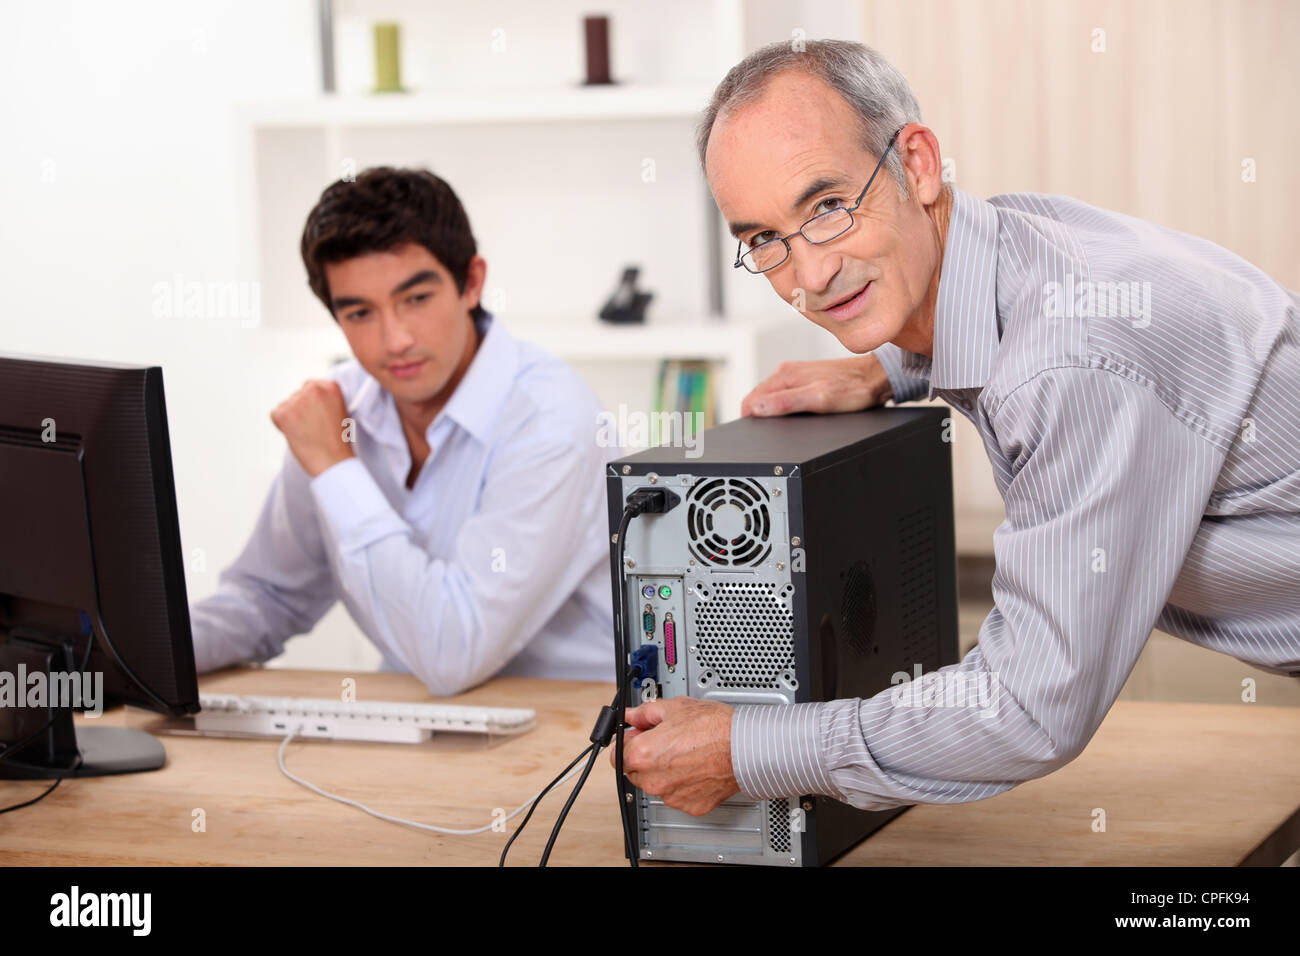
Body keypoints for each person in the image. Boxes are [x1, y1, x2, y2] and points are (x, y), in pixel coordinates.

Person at [616, 39, 1300, 815]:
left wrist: (746, 749)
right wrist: (892, 366)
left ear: (917, 164)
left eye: (828, 207)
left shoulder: (1070, 358)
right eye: (764, 240)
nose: (807, 277)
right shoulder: (1019, 255)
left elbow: (1031, 706)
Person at [190, 166, 615, 694]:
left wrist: (336, 469)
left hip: (574, 735)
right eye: (360, 312)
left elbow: (453, 651)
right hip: (417, 719)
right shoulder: (337, 414)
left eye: (416, 299)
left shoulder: (551, 418)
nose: (395, 340)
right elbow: (269, 598)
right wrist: (132, 656)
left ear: (471, 283)